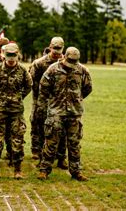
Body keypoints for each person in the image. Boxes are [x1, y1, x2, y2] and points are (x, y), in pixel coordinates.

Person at [37, 47, 93, 181]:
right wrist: (50, 103)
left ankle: (76, 171)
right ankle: (44, 170)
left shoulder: (82, 70)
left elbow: (87, 88)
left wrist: (76, 99)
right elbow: (44, 87)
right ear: (64, 57)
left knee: (74, 143)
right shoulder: (53, 69)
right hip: (56, 112)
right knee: (51, 142)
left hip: (74, 113)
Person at [0, 43, 32, 180]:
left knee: (17, 140)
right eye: (8, 56)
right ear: (4, 55)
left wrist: (19, 97)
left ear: (17, 55)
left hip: (16, 110)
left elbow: (29, 86)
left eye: (13, 56)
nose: (11, 59)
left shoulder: (23, 71)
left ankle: (17, 170)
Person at [29, 37, 68, 168]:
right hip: (42, 101)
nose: (57, 52)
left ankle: (61, 158)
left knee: (62, 130)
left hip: (59, 103)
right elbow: (31, 82)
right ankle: (41, 156)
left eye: (59, 49)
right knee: (41, 128)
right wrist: (39, 100)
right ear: (50, 47)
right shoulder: (39, 63)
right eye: (54, 48)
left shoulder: (66, 63)